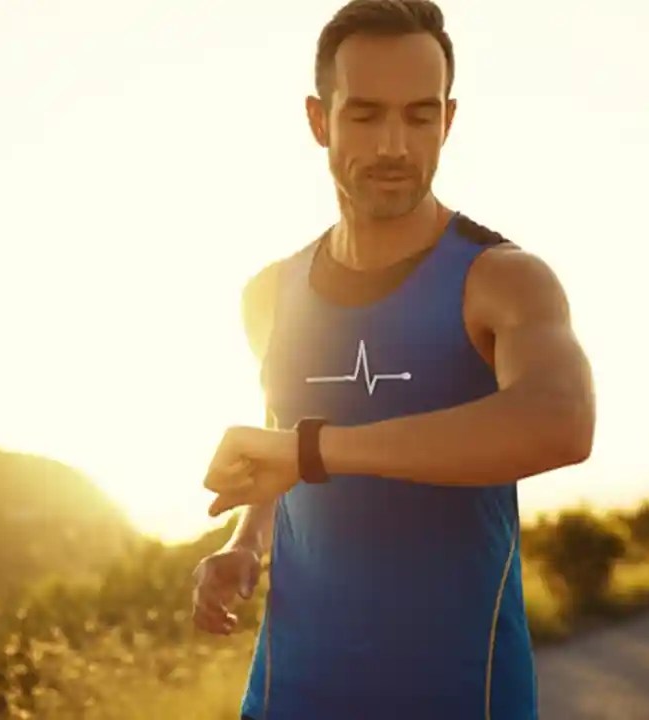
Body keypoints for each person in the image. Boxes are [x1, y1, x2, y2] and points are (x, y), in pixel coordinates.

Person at [189, 1, 596, 718]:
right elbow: (283, 439)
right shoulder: (269, 296)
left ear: (448, 119)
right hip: (290, 697)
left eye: (418, 115)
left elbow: (561, 422)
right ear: (319, 120)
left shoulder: (502, 279)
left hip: (460, 698)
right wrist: (246, 541)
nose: (394, 146)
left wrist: (316, 451)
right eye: (365, 114)